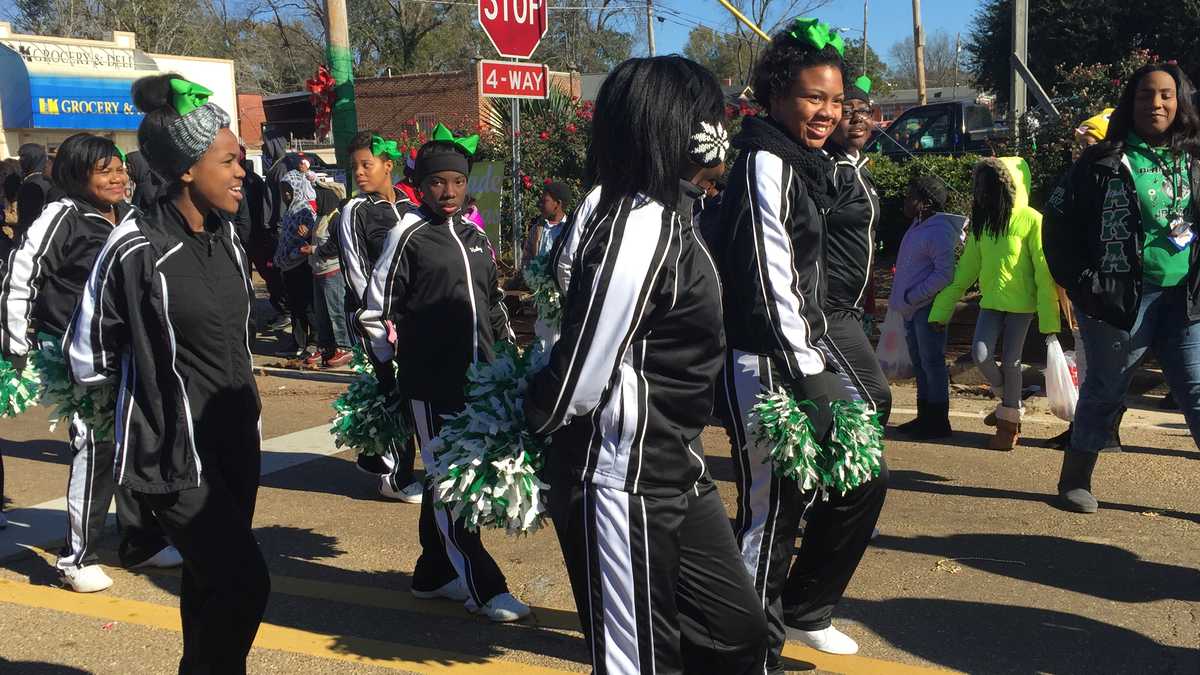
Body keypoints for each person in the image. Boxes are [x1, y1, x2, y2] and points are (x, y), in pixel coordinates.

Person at [525, 55, 767, 674]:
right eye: (709, 119)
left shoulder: (677, 216)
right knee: (642, 662)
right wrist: (531, 420)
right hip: (618, 477)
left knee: (736, 631)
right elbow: (580, 375)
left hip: (674, 464)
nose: (721, 134)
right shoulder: (637, 224)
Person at [66, 74, 269, 673]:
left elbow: (234, 337)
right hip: (175, 457)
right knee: (245, 584)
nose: (241, 173)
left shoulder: (227, 238)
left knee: (208, 587)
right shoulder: (136, 247)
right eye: (229, 160)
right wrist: (146, 402)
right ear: (186, 168)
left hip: (236, 441)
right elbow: (87, 354)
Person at [715, 20, 887, 663]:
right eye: (814, 97)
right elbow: (769, 276)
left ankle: (806, 607)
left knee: (864, 474)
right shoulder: (763, 161)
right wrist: (812, 373)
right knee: (773, 511)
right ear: (778, 95)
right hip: (767, 363)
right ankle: (745, 648)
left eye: (836, 100)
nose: (827, 112)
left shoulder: (804, 162)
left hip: (811, 353)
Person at [357, 123, 530, 623]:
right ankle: (485, 587)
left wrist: (508, 360)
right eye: (437, 183)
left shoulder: (476, 235)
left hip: (479, 385)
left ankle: (433, 574)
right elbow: (374, 309)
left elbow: (493, 305)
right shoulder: (406, 234)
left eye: (457, 181)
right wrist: (387, 368)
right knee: (450, 484)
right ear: (422, 184)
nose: (448, 192)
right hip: (429, 386)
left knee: (446, 483)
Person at [0, 132, 181, 592]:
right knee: (96, 448)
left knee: (137, 443)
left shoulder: (130, 216)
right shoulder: (61, 215)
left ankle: (139, 540)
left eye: (121, 168)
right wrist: (15, 345)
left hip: (129, 351)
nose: (120, 177)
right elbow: (21, 273)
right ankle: (74, 557)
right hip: (77, 354)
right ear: (78, 175)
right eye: (107, 171)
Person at [1044, 63, 1200, 513]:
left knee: (1197, 390)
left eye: (1167, 95)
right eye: (1145, 95)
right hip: (1120, 301)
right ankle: (1074, 479)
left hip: (1183, 299)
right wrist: (1084, 286)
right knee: (1107, 390)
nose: (1156, 104)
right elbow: (1056, 223)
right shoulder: (1101, 162)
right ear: (1129, 104)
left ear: (1180, 102)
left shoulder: (1193, 158)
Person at [929, 157, 1060, 450]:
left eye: (989, 184)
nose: (982, 190)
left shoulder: (1032, 220)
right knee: (980, 354)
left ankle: (1008, 424)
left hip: (1022, 305)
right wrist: (942, 310)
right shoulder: (984, 220)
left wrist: (1050, 319)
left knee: (1012, 362)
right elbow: (966, 270)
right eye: (981, 184)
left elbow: (1043, 270)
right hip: (991, 302)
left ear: (1008, 185)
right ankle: (1010, 401)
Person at [336, 130, 421, 501]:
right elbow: (355, 270)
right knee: (391, 394)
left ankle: (376, 458)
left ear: (389, 165)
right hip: (376, 321)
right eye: (354, 166)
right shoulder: (355, 210)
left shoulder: (409, 206)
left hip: (409, 320)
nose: (359, 172)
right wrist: (376, 317)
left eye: (366, 164)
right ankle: (398, 477)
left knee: (407, 391)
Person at [1046, 109, 1119, 450]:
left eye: (1087, 142)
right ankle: (1086, 427)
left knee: (1101, 363)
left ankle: (1098, 432)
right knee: (1087, 357)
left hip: (1101, 287)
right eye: (1078, 144)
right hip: (1080, 283)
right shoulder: (1078, 177)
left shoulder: (1113, 180)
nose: (1079, 149)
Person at [822, 75, 892, 424]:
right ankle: (857, 476)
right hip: (827, 306)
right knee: (874, 396)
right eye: (845, 110)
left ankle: (829, 475)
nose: (856, 119)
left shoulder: (860, 169)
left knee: (837, 399)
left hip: (854, 306)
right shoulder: (826, 169)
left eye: (863, 111)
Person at [890, 176, 965, 439]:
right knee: (921, 363)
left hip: (927, 308)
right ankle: (925, 416)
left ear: (925, 203)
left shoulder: (938, 230)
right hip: (913, 309)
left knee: (932, 363)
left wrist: (914, 296)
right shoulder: (917, 226)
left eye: (911, 196)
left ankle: (938, 421)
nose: (906, 201)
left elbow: (945, 273)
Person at [300, 179, 353, 368]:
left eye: (320, 196)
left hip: (333, 271)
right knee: (322, 314)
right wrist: (307, 235)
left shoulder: (336, 218)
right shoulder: (321, 217)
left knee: (336, 311)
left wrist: (313, 250)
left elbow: (335, 246)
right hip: (319, 271)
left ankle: (344, 347)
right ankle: (326, 348)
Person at [274, 170, 319, 360]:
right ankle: (298, 342)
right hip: (288, 267)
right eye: (283, 191)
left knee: (308, 305)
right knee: (295, 307)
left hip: (300, 266)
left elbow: (308, 237)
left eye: (289, 191)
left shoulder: (305, 211)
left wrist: (293, 255)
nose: (286, 195)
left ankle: (314, 342)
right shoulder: (290, 211)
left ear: (298, 189)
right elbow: (284, 239)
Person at [16, 143, 62, 236]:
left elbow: (29, 217)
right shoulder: (39, 179)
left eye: (23, 157)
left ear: (33, 157)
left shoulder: (33, 184)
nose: (20, 160)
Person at [522, 181, 570, 263]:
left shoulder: (569, 229)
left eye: (544, 201)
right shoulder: (537, 229)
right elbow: (527, 257)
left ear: (557, 204)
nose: (540, 204)